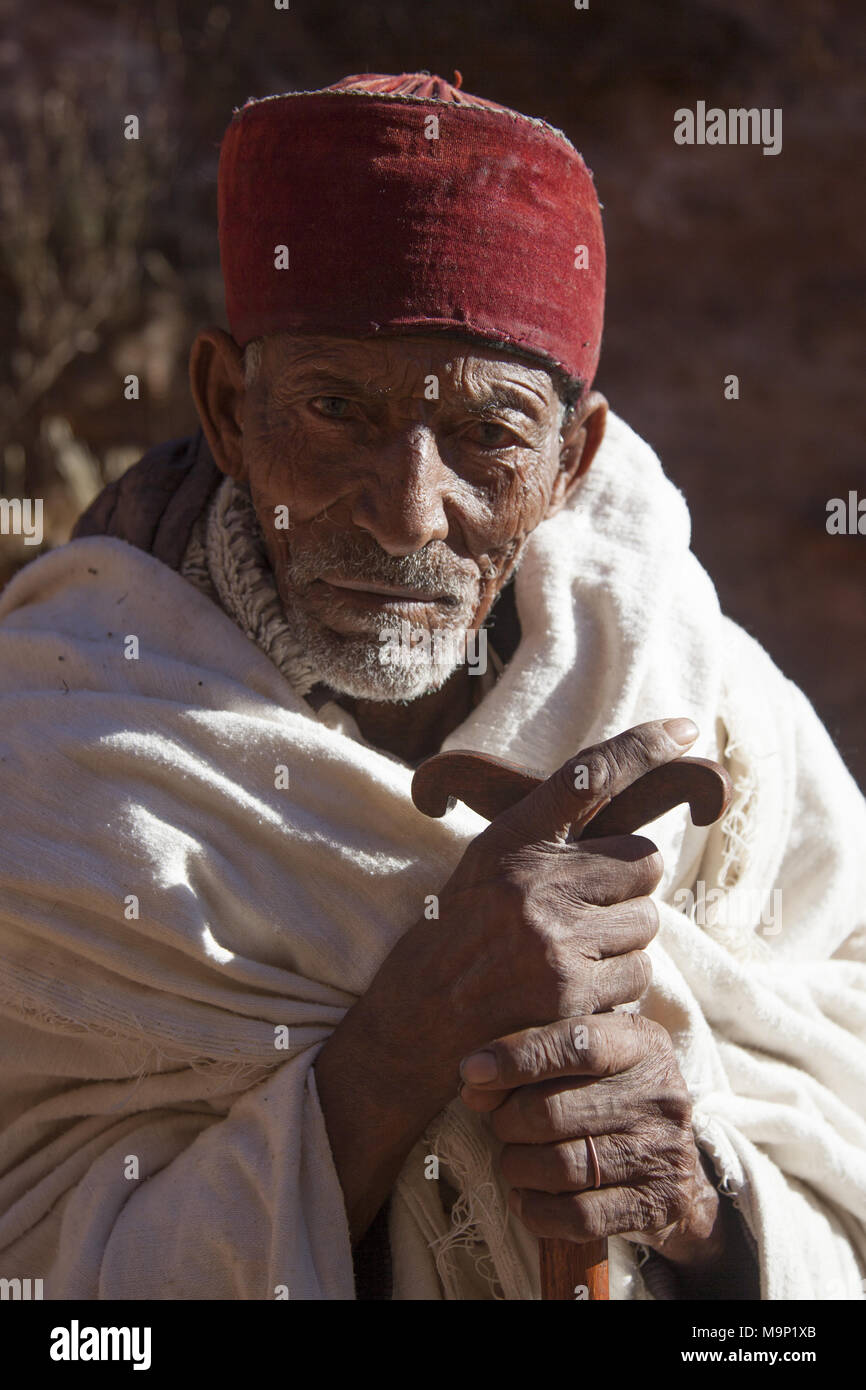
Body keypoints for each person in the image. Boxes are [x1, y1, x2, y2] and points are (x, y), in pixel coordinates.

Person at [0, 72, 864, 1301]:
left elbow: (844, 1118)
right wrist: (403, 1042)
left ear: (572, 460)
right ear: (226, 411)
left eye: (487, 436)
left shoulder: (703, 695)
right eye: (335, 410)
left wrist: (698, 1203)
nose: (408, 515)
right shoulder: (54, 751)